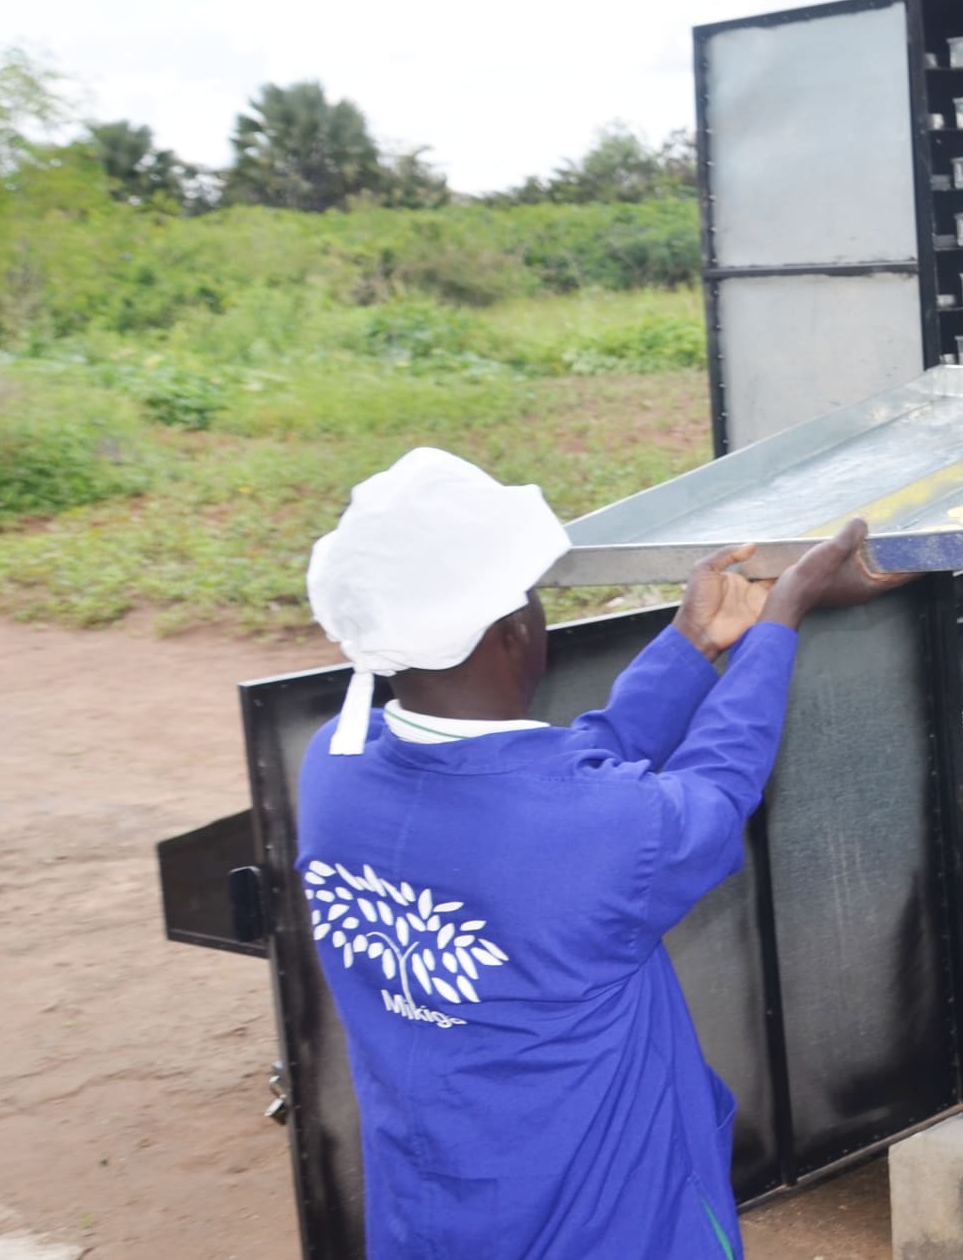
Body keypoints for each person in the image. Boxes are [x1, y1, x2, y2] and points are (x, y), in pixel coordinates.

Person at [295, 447, 909, 1258]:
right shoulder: (592, 827)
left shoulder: (335, 770)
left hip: (435, 1217)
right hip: (607, 1226)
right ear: (517, 630)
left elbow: (568, 778)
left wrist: (693, 642)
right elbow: (713, 795)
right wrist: (781, 617)